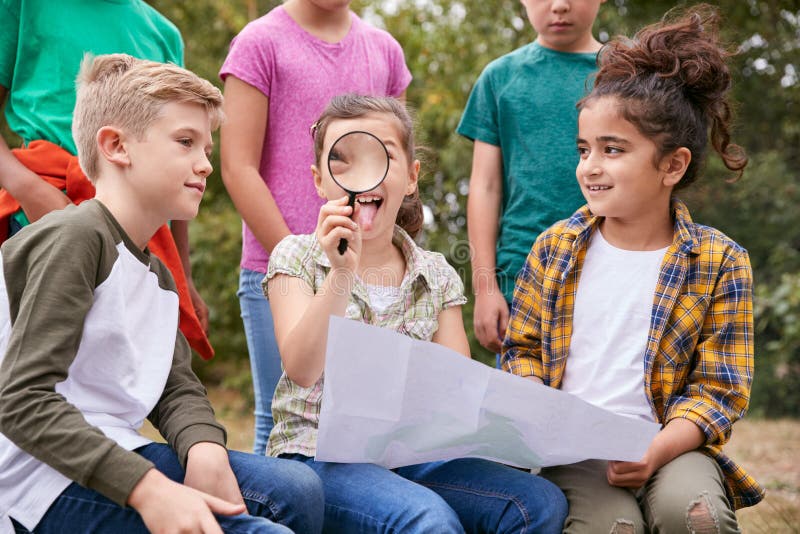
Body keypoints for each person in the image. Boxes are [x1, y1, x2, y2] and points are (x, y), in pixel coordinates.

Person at [0, 54, 324, 534]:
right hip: (37, 482)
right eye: (186, 142)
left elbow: (175, 385)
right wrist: (149, 489)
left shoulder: (156, 274)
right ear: (116, 146)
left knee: (297, 490)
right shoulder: (75, 237)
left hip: (114, 452)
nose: (206, 164)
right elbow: (20, 401)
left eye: (207, 148)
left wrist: (203, 447)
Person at [502, 5, 765, 532]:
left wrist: (657, 449)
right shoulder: (554, 249)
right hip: (577, 455)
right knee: (613, 529)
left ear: (672, 165)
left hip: (671, 443)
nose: (590, 166)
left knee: (696, 517)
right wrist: (540, 409)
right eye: (584, 149)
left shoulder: (720, 261)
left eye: (613, 149)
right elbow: (522, 351)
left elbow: (719, 389)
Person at [265, 94, 567, 533]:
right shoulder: (294, 256)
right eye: (343, 160)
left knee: (536, 504)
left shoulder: (438, 274)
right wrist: (341, 273)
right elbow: (302, 367)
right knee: (428, 518)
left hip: (410, 455)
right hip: (318, 455)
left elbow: (455, 391)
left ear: (411, 177)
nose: (363, 174)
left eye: (382, 156)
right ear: (319, 181)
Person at [220, 0, 412, 453]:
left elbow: (395, 166)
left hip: (370, 274)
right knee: (284, 422)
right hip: (277, 269)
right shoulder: (259, 43)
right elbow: (237, 167)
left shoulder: (384, 50)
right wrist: (301, 262)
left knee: (360, 426)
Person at [0, 0, 213, 360]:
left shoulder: (164, 34)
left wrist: (184, 275)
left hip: (138, 242)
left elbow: (179, 162)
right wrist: (30, 190)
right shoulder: (24, 5)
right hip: (45, 216)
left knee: (120, 373)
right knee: (37, 364)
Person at [457, 0, 606, 361]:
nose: (559, 6)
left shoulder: (630, 74)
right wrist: (485, 287)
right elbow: (485, 187)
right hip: (522, 282)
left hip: (611, 275)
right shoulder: (499, 78)